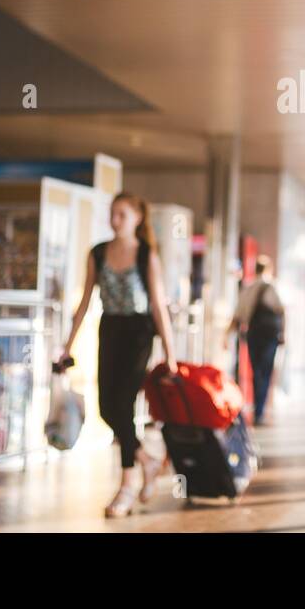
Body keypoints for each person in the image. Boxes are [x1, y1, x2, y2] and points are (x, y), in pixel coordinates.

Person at [59, 192, 178, 518]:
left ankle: (127, 486)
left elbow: (158, 306)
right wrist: (67, 345)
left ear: (137, 217)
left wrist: (171, 354)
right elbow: (84, 302)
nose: (115, 220)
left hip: (138, 333)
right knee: (106, 407)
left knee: (123, 406)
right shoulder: (98, 253)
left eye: (122, 214)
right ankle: (147, 460)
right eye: (112, 214)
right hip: (109, 329)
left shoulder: (146, 256)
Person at [228, 255, 285, 426]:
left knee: (256, 372)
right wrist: (283, 333)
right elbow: (281, 311)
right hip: (270, 335)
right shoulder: (272, 287)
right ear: (268, 269)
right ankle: (259, 411)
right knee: (266, 372)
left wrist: (226, 335)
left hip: (253, 333)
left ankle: (257, 409)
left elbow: (238, 315)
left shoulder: (248, 287)